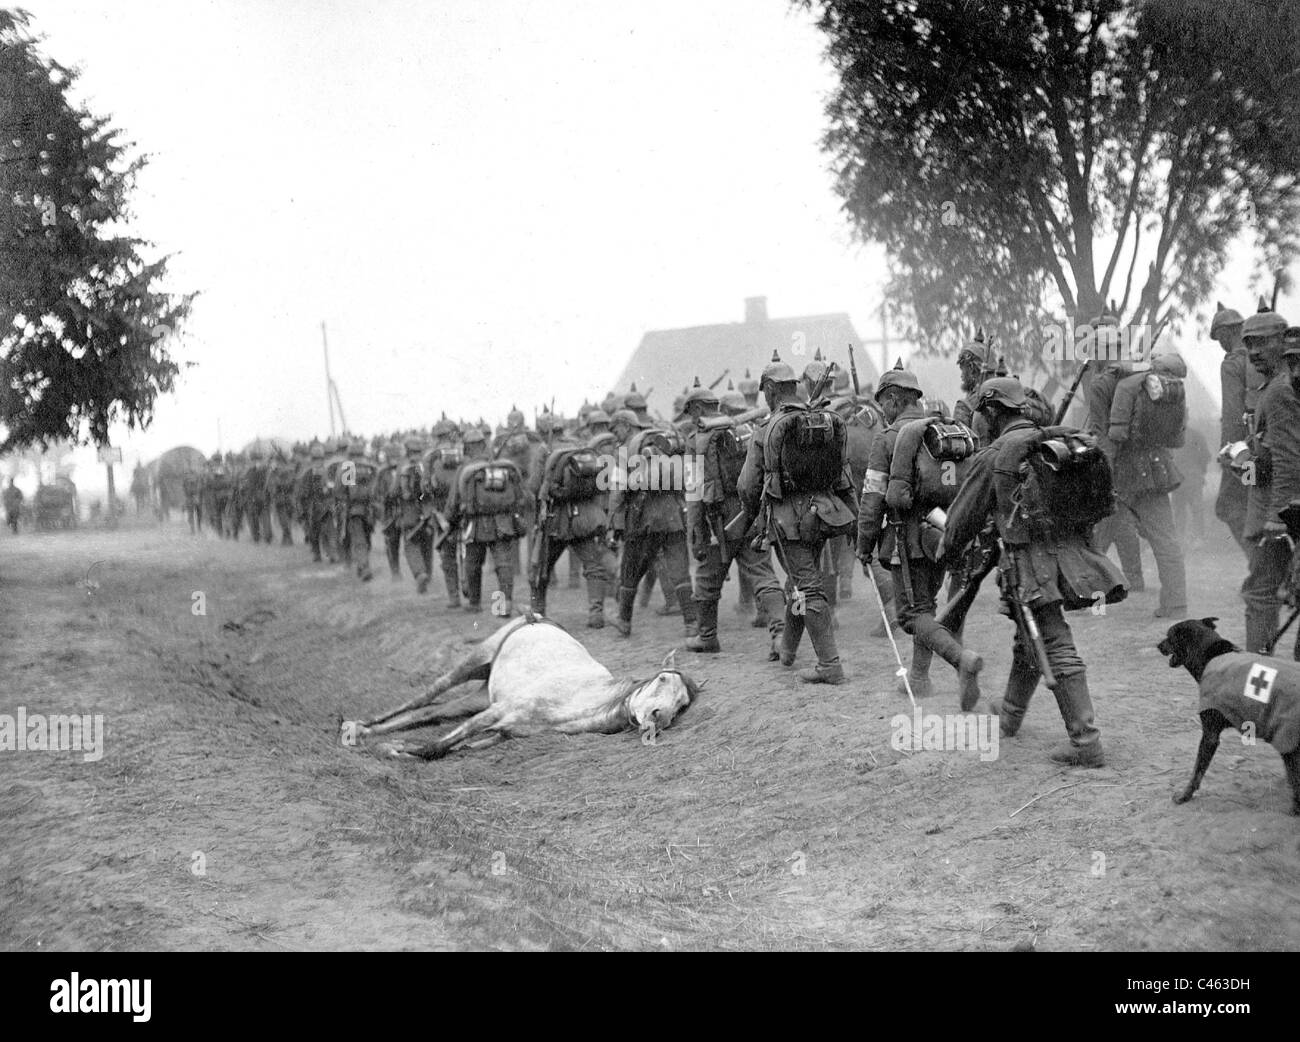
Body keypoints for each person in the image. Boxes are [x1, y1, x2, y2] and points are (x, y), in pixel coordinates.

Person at [941, 377, 1125, 766]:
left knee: (1054, 641)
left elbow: (959, 523)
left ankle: (1085, 741)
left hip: (1031, 564)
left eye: (979, 413)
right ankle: (1009, 714)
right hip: (1071, 554)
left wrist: (947, 553)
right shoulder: (1054, 439)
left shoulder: (998, 453)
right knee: (1031, 638)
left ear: (992, 412)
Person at [858, 362, 983, 703]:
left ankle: (962, 661)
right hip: (944, 532)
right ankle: (919, 677)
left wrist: (864, 545)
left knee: (912, 615)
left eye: (883, 402)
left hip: (907, 538)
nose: (882, 410)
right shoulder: (945, 431)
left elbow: (872, 499)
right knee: (926, 605)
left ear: (895, 399)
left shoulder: (888, 439)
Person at [738, 350, 857, 683]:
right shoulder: (826, 419)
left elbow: (748, 485)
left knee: (807, 587)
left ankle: (830, 666)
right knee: (799, 581)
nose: (764, 397)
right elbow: (845, 479)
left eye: (765, 391)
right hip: (825, 516)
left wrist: (752, 518)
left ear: (772, 390)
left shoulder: (767, 428)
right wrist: (856, 520)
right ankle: (788, 650)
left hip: (788, 520)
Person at [679, 378, 785, 657]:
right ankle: (780, 635)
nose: (690, 417)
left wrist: (697, 534)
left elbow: (693, 494)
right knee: (763, 575)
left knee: (706, 579)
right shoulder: (747, 429)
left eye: (691, 411)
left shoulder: (696, 439)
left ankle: (707, 637)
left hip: (717, 522)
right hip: (750, 514)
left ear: (698, 408)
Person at [1105, 351, 1189, 618]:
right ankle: (1175, 604)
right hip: (1158, 468)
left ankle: (1087, 599)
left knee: (1098, 535)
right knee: (1166, 540)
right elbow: (1178, 440)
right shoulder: (1174, 391)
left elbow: (1116, 434)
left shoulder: (1128, 385)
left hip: (1125, 469)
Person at [1240, 303, 1300, 653]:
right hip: (1277, 507)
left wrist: (1279, 520)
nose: (1254, 351)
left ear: (1283, 340)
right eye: (1248, 343)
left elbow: (1290, 458)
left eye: (1262, 342)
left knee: (1260, 593)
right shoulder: (1274, 387)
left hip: (1281, 515)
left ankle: (1255, 679)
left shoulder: (1280, 391)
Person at [606, 411, 698, 638]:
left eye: (616, 429)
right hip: (673, 517)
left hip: (641, 518)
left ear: (627, 426)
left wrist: (613, 521)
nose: (615, 435)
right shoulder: (669, 439)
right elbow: (689, 479)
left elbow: (617, 491)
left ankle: (624, 621)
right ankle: (691, 624)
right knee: (680, 570)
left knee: (630, 568)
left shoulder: (624, 451)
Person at [447, 427, 526, 613]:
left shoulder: (465, 470)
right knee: (503, 565)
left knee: (473, 564)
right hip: (502, 523)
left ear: (466, 448)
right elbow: (520, 496)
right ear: (483, 445)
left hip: (475, 525)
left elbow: (453, 503)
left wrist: (451, 521)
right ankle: (502, 606)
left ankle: (474, 604)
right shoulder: (502, 466)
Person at [1212, 302, 1261, 552]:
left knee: (1228, 507)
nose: (1219, 343)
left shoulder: (1232, 363)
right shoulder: (1261, 360)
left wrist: (1227, 453)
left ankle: (1260, 568)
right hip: (1268, 445)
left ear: (1226, 333)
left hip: (1244, 449)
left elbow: (1232, 415)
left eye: (1218, 336)